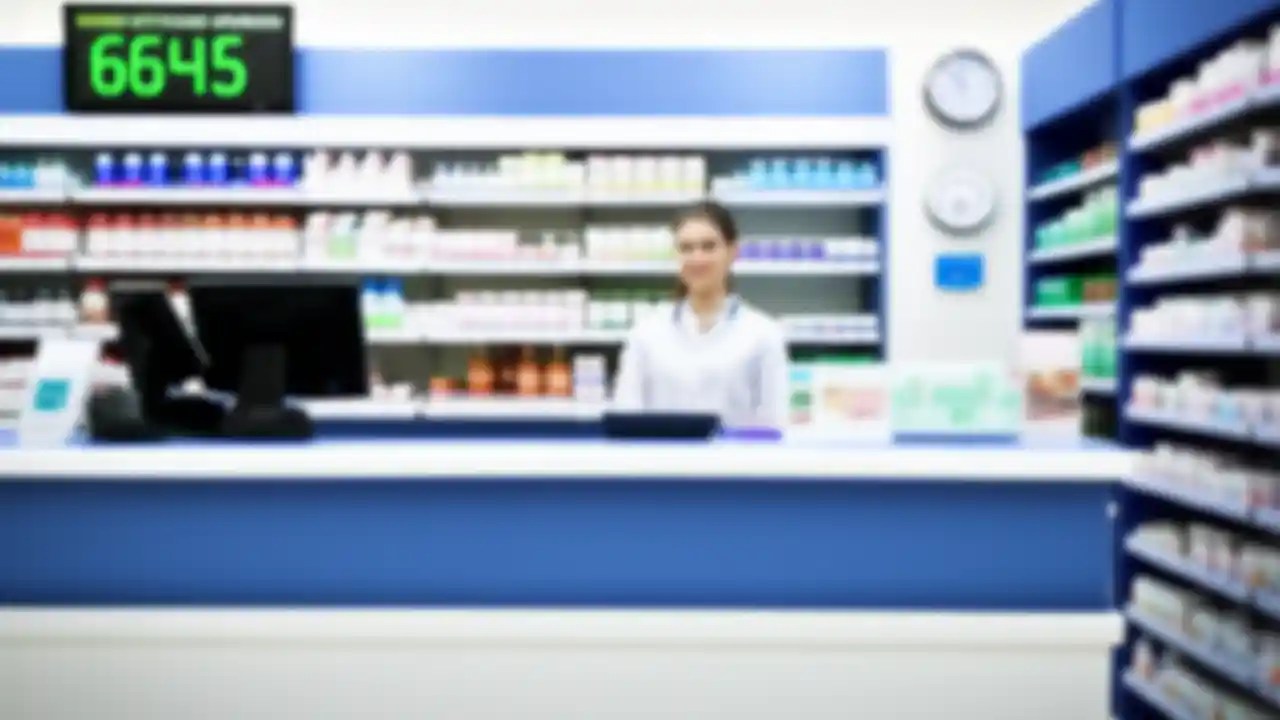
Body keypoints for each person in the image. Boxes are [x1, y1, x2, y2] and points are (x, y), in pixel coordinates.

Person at [612, 202, 789, 428]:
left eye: (709, 246)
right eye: (686, 248)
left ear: (732, 252)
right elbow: (627, 417)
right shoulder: (646, 333)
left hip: (736, 452)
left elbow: (773, 423)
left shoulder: (763, 334)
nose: (698, 259)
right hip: (663, 451)